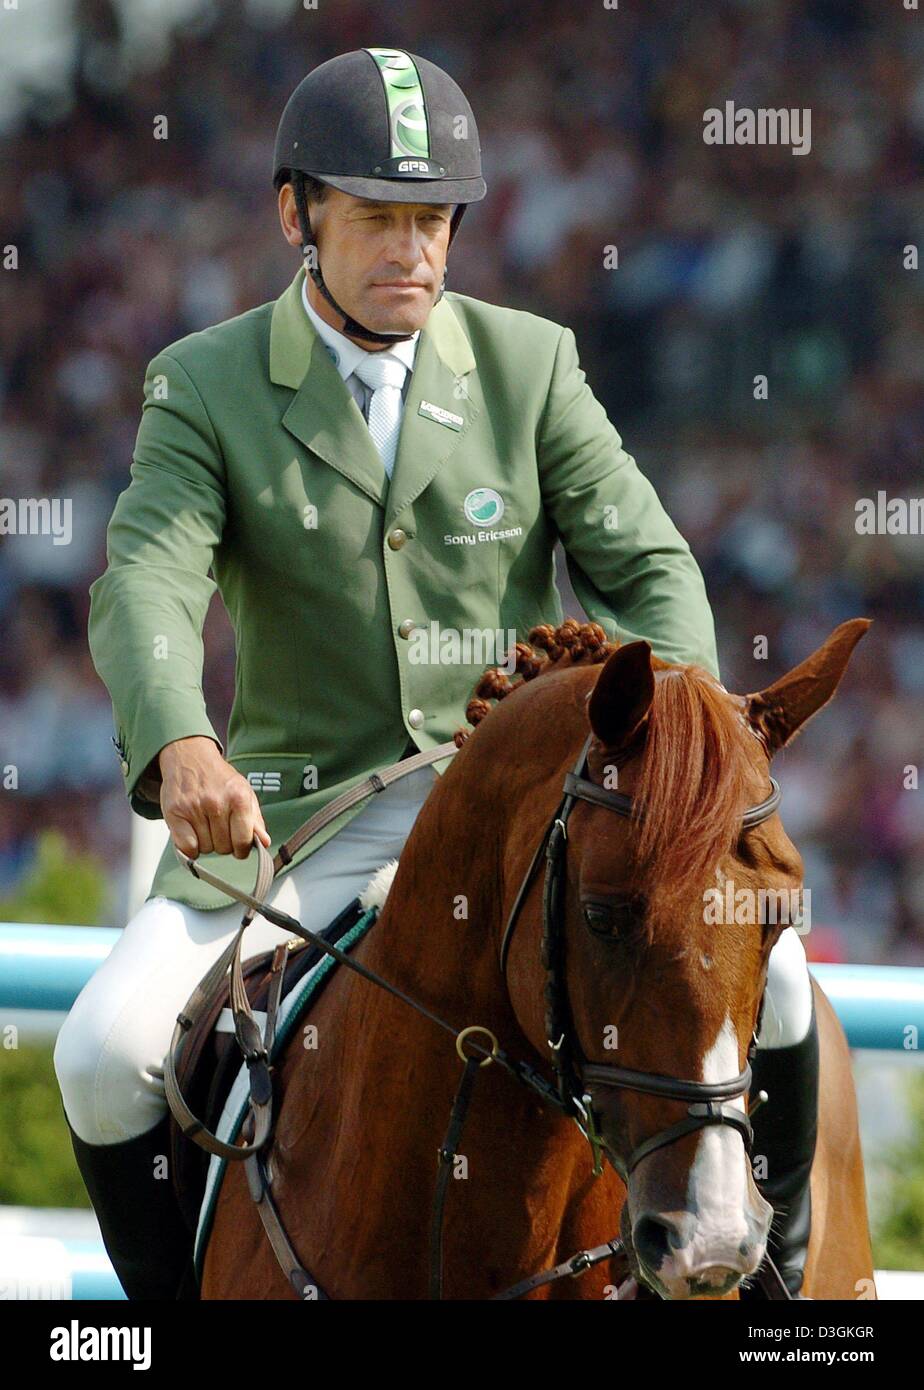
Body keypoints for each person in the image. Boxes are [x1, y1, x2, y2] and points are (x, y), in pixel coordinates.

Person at [54, 46, 816, 1299]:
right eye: (377, 219)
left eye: (432, 221)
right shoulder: (205, 383)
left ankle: (775, 1291)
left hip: (523, 814)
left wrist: (688, 741)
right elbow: (145, 577)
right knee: (102, 1051)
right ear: (296, 215)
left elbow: (650, 565)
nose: (412, 249)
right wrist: (179, 739)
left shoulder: (531, 366)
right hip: (303, 823)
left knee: (773, 971)